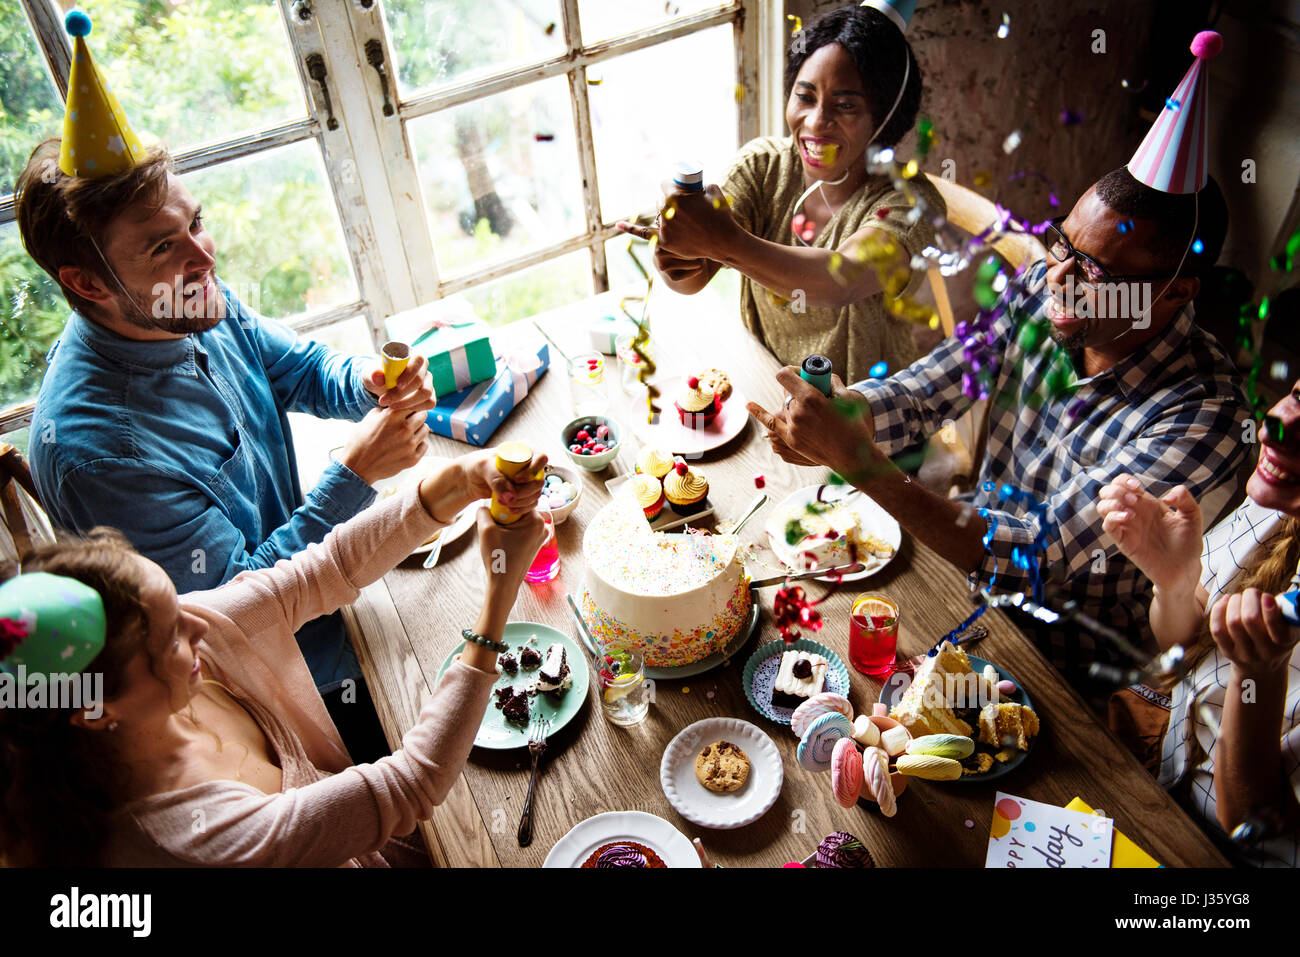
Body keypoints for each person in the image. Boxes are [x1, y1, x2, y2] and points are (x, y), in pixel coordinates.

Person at [15, 133, 438, 738]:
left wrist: (369, 385)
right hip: (288, 696)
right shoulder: (99, 454)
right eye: (164, 245)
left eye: (197, 223)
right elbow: (239, 614)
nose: (204, 256)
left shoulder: (183, 295)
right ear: (89, 285)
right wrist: (355, 476)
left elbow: (298, 368)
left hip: (344, 597)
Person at [0, 448, 547, 867]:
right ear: (94, 709)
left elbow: (324, 570)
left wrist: (456, 482)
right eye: (168, 638)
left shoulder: (189, 631)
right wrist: (499, 593)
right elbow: (411, 785)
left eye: (175, 601)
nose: (200, 624)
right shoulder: (196, 839)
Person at [616, 2, 943, 384]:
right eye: (805, 97)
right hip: (765, 380)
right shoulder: (763, 167)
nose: (817, 122)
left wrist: (723, 241)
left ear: (887, 119)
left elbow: (843, 279)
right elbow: (691, 279)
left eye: (846, 105)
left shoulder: (910, 204)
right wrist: (678, 250)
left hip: (866, 416)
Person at [1098, 382, 1300, 867]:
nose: (1278, 427)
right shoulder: (1273, 499)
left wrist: (1259, 675)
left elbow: (1249, 820)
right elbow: (1181, 642)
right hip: (1165, 783)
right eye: (1298, 395)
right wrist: (1176, 583)